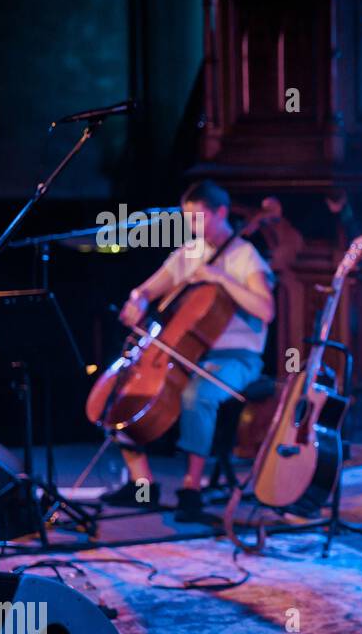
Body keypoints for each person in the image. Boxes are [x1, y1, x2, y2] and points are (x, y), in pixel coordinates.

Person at [99, 181, 275, 521]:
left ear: (221, 213)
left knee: (197, 396)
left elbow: (266, 311)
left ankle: (191, 488)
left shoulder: (244, 256)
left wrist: (222, 279)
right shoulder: (189, 252)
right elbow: (149, 289)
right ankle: (143, 485)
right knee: (121, 390)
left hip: (236, 357)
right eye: (188, 218)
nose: (192, 225)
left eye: (198, 217)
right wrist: (137, 300)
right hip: (187, 354)